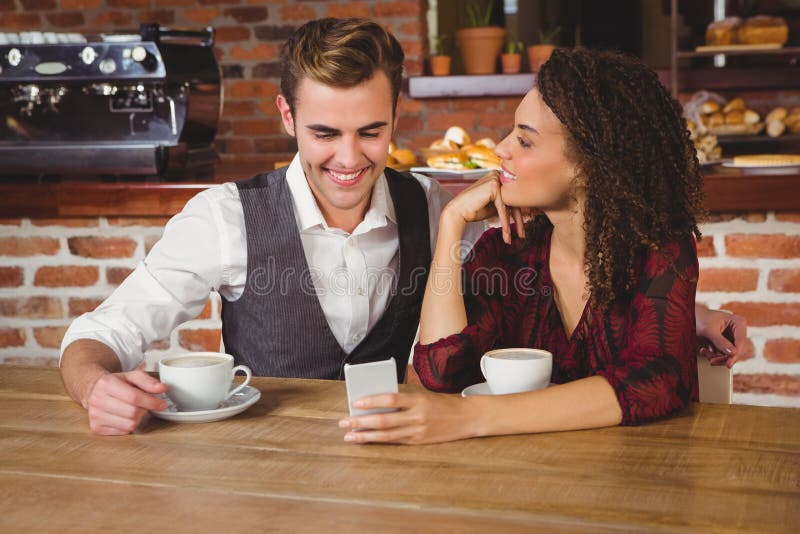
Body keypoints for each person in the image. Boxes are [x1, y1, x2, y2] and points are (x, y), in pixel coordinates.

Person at [59, 19, 744, 437]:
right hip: (265, 472)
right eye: (325, 132)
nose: (350, 159)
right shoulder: (224, 216)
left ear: (398, 115)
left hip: (405, 468)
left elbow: (545, 294)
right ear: (286, 116)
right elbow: (103, 333)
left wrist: (683, 312)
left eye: (372, 131)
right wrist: (97, 385)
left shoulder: (428, 203)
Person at [337, 48, 745, 445]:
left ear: (590, 165)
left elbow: (655, 384)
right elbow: (439, 371)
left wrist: (470, 418)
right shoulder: (508, 251)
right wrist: (449, 228)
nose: (501, 149)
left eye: (525, 141)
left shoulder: (660, 250)